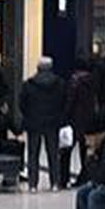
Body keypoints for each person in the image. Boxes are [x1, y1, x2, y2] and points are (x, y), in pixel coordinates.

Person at [19, 57, 68, 192]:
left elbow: (22, 104)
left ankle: (33, 184)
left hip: (34, 122)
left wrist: (29, 115)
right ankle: (55, 183)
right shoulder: (60, 83)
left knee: (33, 154)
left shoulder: (28, 84)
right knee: (53, 153)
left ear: (38, 68)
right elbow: (64, 102)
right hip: (53, 122)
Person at [64, 58, 100, 184]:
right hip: (89, 118)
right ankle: (86, 176)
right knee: (85, 150)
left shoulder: (75, 81)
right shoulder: (94, 80)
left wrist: (65, 116)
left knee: (66, 148)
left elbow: (71, 100)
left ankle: (64, 177)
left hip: (75, 119)